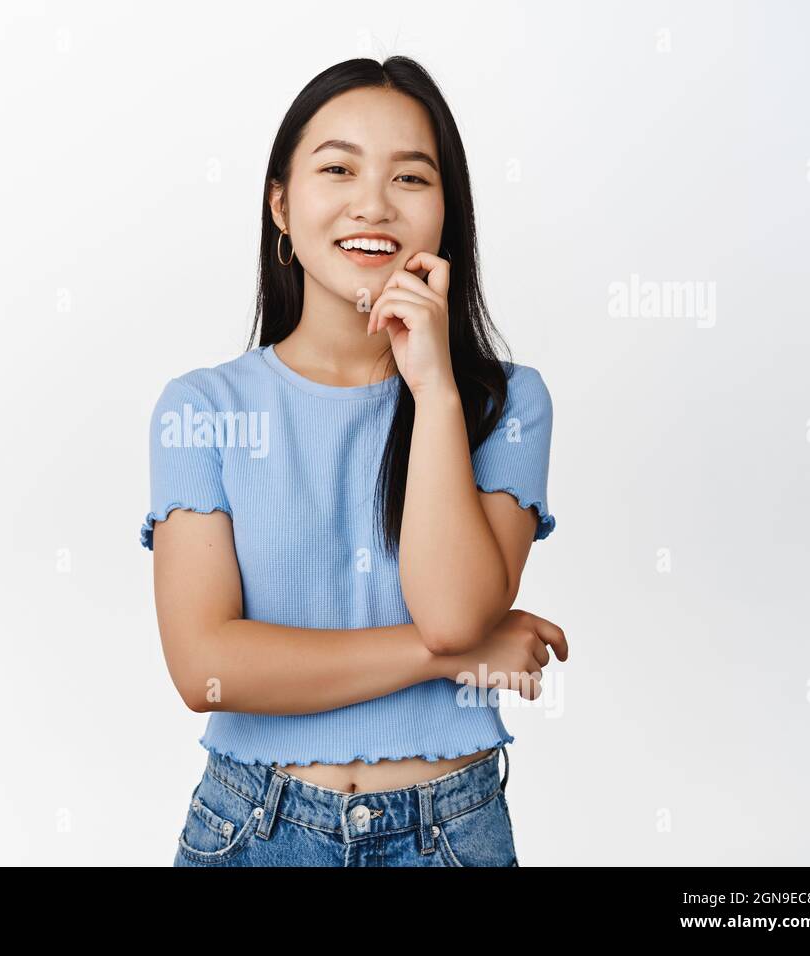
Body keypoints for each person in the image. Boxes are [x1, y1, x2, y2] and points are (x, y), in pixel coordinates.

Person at [141, 56, 568, 867]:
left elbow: (452, 609)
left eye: (410, 177)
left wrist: (436, 389)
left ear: (447, 211)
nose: (372, 204)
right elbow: (206, 668)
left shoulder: (506, 405)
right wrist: (458, 658)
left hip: (450, 832)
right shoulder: (202, 410)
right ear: (281, 203)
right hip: (253, 831)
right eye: (337, 167)